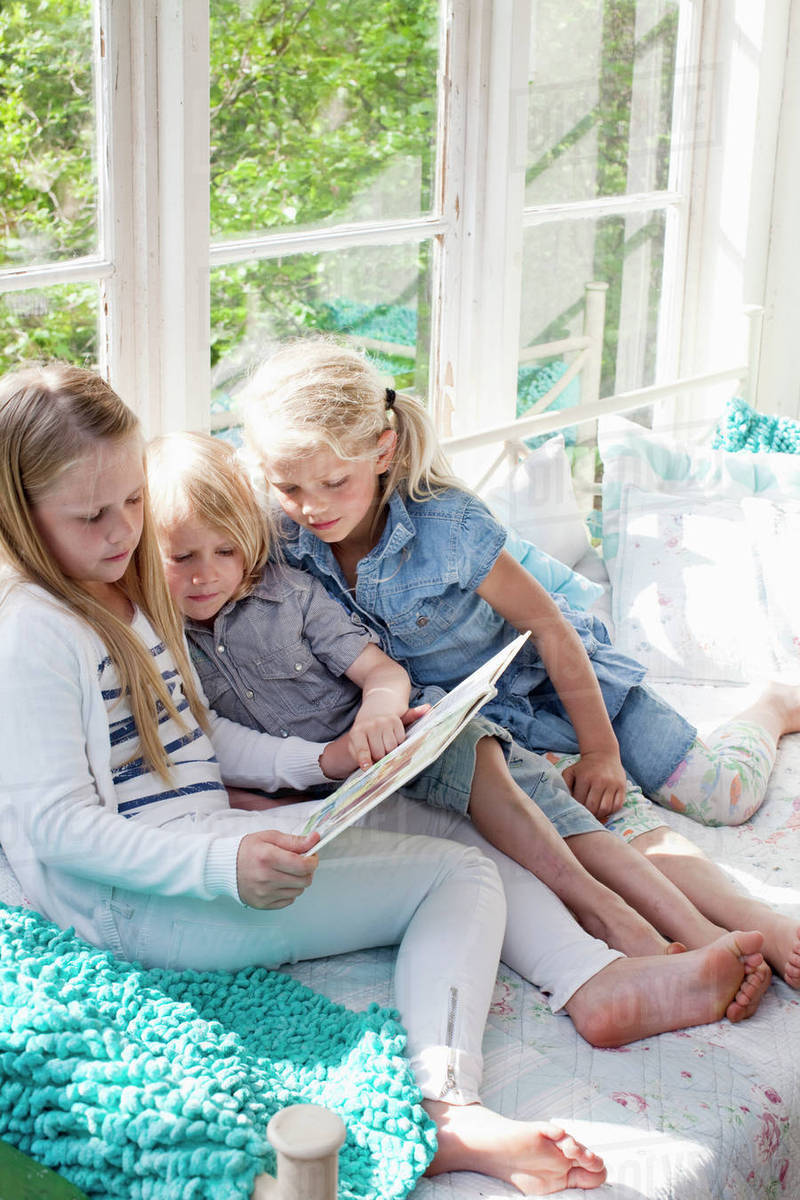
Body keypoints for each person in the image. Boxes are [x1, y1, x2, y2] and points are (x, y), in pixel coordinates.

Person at [143, 429, 770, 1034]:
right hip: (363, 781)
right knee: (513, 843)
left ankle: (685, 926)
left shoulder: (309, 582)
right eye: (182, 557)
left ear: (381, 451)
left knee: (594, 821)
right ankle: (622, 962)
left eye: (225, 551)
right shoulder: (174, 628)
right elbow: (210, 743)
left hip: (496, 710)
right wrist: (271, 788)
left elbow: (394, 671)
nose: (206, 575)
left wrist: (379, 714)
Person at [240, 336, 800, 989]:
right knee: (617, 831)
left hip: (567, 690)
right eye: (290, 487)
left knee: (721, 798)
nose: (313, 506)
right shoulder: (284, 539)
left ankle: (772, 704)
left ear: (383, 451)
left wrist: (602, 752)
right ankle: (745, 923)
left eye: (335, 482)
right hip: (497, 730)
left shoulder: (446, 526)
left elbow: (551, 628)